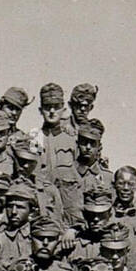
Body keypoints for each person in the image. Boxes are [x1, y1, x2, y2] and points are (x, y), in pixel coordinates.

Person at [37, 82, 80, 213]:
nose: (51, 112)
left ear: (64, 109)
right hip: (43, 209)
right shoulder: (33, 138)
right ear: (40, 110)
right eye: (47, 107)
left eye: (56, 107)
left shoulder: (73, 138)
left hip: (69, 209)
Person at [0, 181, 36, 265]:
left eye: (20, 207)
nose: (13, 212)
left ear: (31, 211)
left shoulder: (38, 236)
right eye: (10, 206)